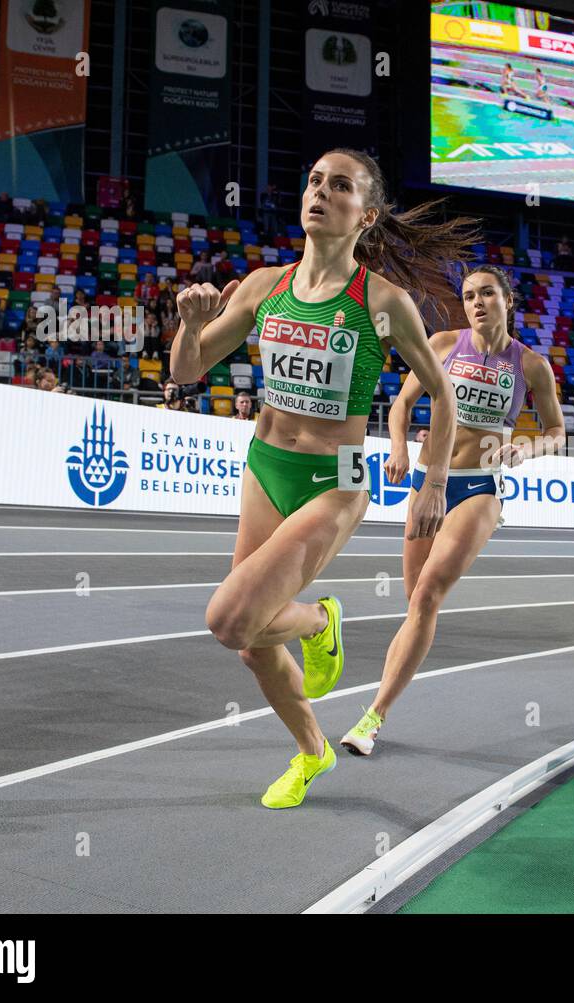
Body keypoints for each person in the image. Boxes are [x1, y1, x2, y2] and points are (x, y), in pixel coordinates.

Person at [170, 147, 473, 808]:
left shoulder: (383, 302)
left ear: (364, 215)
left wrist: (434, 477)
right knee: (251, 648)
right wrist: (189, 327)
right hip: (265, 466)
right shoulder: (262, 286)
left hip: (335, 479)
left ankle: (317, 622)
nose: (320, 192)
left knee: (230, 620)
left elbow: (441, 392)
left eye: (340, 186)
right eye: (313, 180)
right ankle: (314, 752)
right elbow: (189, 371)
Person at [339, 264, 564, 755]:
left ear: (508, 299)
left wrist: (526, 449)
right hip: (425, 479)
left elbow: (556, 432)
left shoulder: (531, 366)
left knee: (427, 596)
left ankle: (372, 718)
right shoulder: (442, 344)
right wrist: (398, 447)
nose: (477, 302)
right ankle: (387, 696)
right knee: (414, 600)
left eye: (487, 293)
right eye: (468, 296)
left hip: (481, 486)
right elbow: (400, 406)